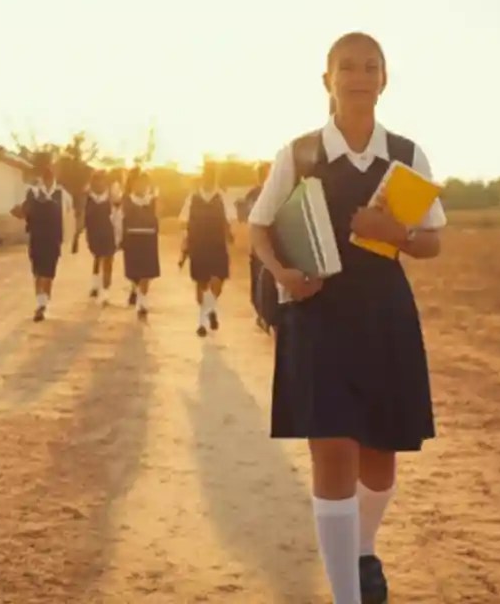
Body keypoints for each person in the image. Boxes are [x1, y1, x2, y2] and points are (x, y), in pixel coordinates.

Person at [247, 32, 446, 604]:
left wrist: (398, 235)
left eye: (371, 66)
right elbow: (260, 226)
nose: (360, 76)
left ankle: (361, 549)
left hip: (385, 316)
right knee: (333, 448)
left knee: (380, 463)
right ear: (327, 80)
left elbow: (432, 242)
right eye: (347, 67)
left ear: (384, 79)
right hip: (318, 316)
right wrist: (282, 275)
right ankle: (346, 596)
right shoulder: (301, 153)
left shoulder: (407, 156)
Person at [9, 152, 75, 322]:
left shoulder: (63, 195)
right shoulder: (32, 193)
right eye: (46, 175)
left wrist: (69, 238)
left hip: (53, 239)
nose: (48, 178)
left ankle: (43, 302)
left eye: (51, 175)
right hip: (37, 238)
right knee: (39, 272)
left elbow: (69, 216)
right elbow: (23, 212)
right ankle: (40, 304)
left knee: (48, 273)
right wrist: (19, 211)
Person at [179, 161, 235, 336]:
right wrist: (185, 247)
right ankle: (202, 322)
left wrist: (229, 236)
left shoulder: (222, 197)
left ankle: (210, 308)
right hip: (198, 244)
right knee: (201, 284)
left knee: (218, 281)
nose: (209, 179)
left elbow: (228, 220)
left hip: (217, 244)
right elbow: (185, 223)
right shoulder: (193, 198)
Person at [120, 168, 161, 320]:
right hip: (132, 237)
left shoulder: (152, 200)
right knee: (134, 273)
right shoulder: (127, 200)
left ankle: (142, 302)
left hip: (148, 237)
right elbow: (121, 218)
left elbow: (157, 217)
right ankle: (135, 290)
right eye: (139, 183)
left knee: (147, 273)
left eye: (145, 183)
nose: (142, 187)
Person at [240, 161, 272, 331]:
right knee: (257, 282)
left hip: (274, 246)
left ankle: (268, 316)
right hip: (256, 247)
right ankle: (261, 314)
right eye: (261, 173)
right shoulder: (252, 194)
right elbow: (247, 218)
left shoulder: (278, 190)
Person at [81, 170, 119, 305]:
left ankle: (106, 292)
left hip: (109, 232)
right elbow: (83, 215)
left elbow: (118, 213)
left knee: (108, 261)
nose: (99, 183)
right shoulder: (88, 196)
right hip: (94, 232)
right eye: (96, 181)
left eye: (101, 180)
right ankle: (95, 285)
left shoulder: (111, 196)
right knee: (97, 258)